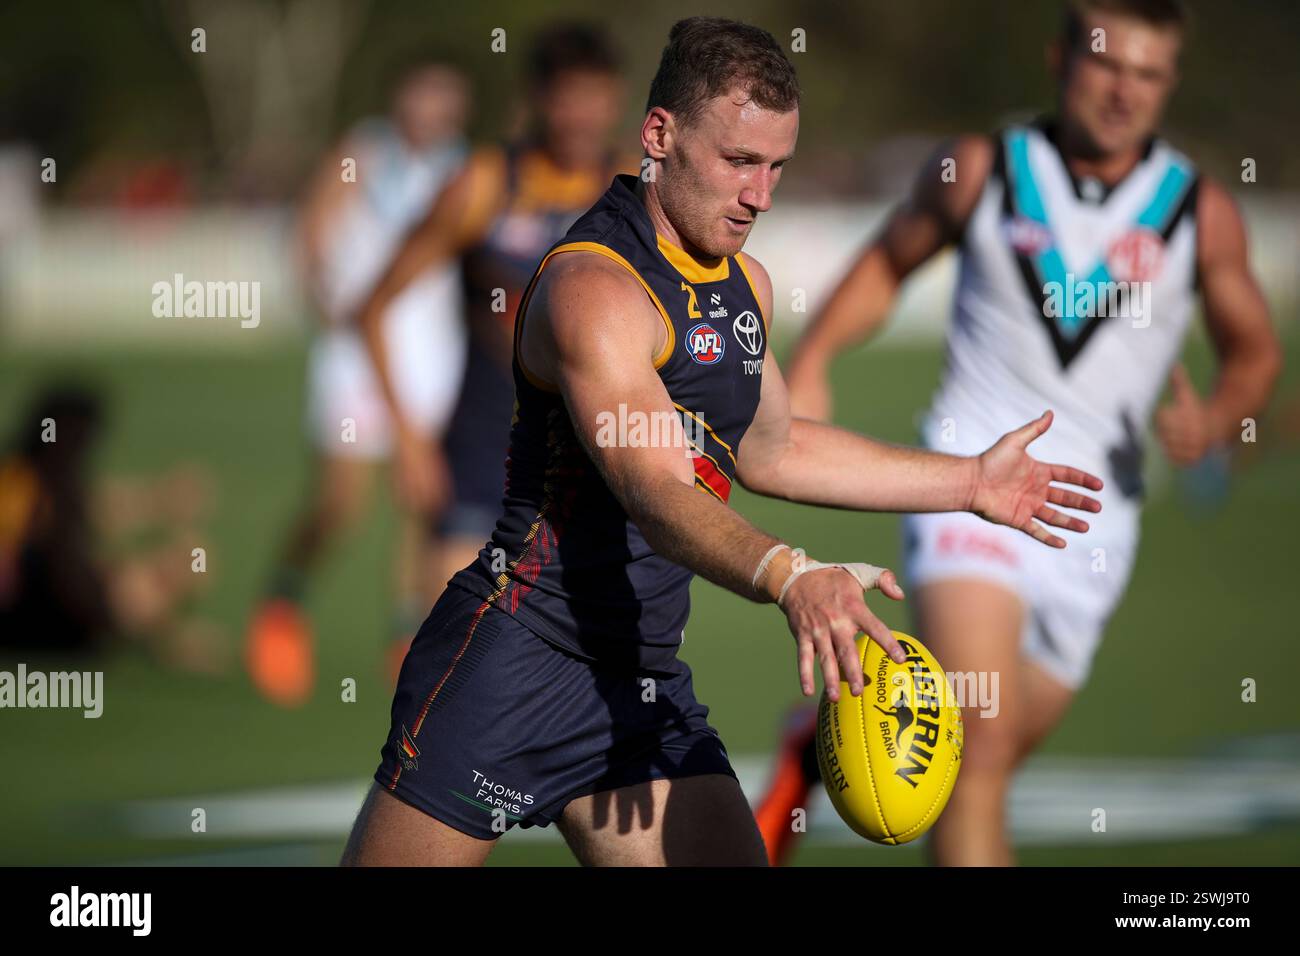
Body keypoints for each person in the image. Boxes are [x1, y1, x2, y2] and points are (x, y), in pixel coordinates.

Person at [342, 16, 1102, 867]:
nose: (761, 195)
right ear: (659, 135)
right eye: (739, 162)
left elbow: (771, 448)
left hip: (637, 681)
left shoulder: (744, 286)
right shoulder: (595, 288)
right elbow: (659, 492)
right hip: (512, 662)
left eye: (777, 166)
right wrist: (791, 576)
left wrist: (968, 483)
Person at [755, 0, 1282, 866]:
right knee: (979, 743)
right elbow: (890, 259)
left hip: (1093, 529)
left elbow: (1255, 353)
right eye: (1109, 64)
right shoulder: (981, 169)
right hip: (968, 491)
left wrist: (1218, 417)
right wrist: (813, 361)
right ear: (1061, 59)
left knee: (976, 750)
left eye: (1149, 73)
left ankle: (819, 737)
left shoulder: (1199, 211)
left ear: (1170, 82)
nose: (1125, 91)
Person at [355, 22, 633, 609]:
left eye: (596, 96)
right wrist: (407, 438)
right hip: (485, 445)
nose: (582, 115)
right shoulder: (484, 183)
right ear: (537, 97)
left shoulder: (633, 188)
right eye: (568, 95)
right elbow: (373, 308)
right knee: (447, 640)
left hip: (595, 454)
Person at [246, 59, 470, 706]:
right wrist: (324, 300)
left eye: (446, 99)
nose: (434, 110)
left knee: (422, 500)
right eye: (424, 93)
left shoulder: (461, 166)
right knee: (341, 503)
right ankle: (283, 599)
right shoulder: (362, 153)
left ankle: (405, 636)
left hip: (429, 354)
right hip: (353, 350)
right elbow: (310, 237)